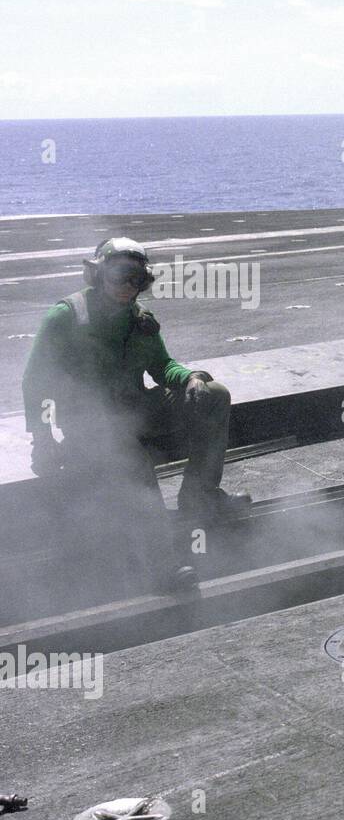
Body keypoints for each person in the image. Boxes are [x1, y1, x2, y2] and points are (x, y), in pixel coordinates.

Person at [21, 237, 250, 592]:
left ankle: (200, 496)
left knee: (214, 395)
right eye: (121, 278)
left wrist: (189, 378)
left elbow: (161, 365)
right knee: (133, 459)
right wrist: (42, 438)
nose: (130, 288)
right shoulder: (66, 317)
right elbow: (36, 382)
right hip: (90, 425)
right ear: (96, 275)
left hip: (133, 412)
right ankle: (161, 563)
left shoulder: (139, 319)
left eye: (138, 281)